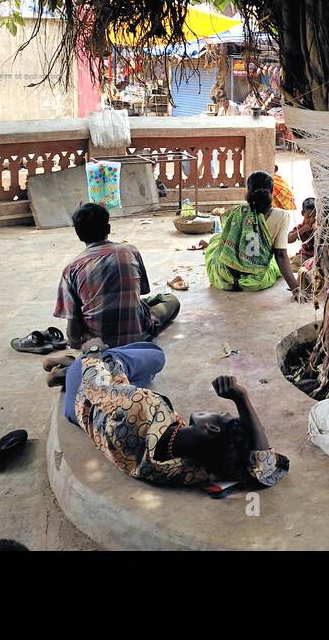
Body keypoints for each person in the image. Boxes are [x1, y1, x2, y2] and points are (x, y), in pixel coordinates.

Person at [56, 340, 288, 489]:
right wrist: (242, 400)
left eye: (221, 414)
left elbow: (97, 387)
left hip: (83, 395)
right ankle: (68, 369)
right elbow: (265, 468)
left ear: (212, 428)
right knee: (141, 377)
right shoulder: (188, 469)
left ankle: (72, 366)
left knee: (155, 354)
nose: (217, 410)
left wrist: (93, 352)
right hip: (80, 418)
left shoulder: (144, 404)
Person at [54, 203, 180, 348]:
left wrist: (75, 340)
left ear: (78, 235)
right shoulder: (130, 251)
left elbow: (73, 330)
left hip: (97, 343)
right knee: (170, 300)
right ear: (108, 229)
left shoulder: (71, 269)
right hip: (138, 334)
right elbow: (142, 291)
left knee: (84, 310)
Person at [204, 171, 303, 297]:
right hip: (255, 282)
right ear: (272, 191)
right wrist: (296, 289)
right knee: (272, 263)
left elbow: (226, 233)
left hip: (224, 277)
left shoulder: (238, 211)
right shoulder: (282, 216)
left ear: (248, 191)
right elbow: (280, 255)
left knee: (216, 241)